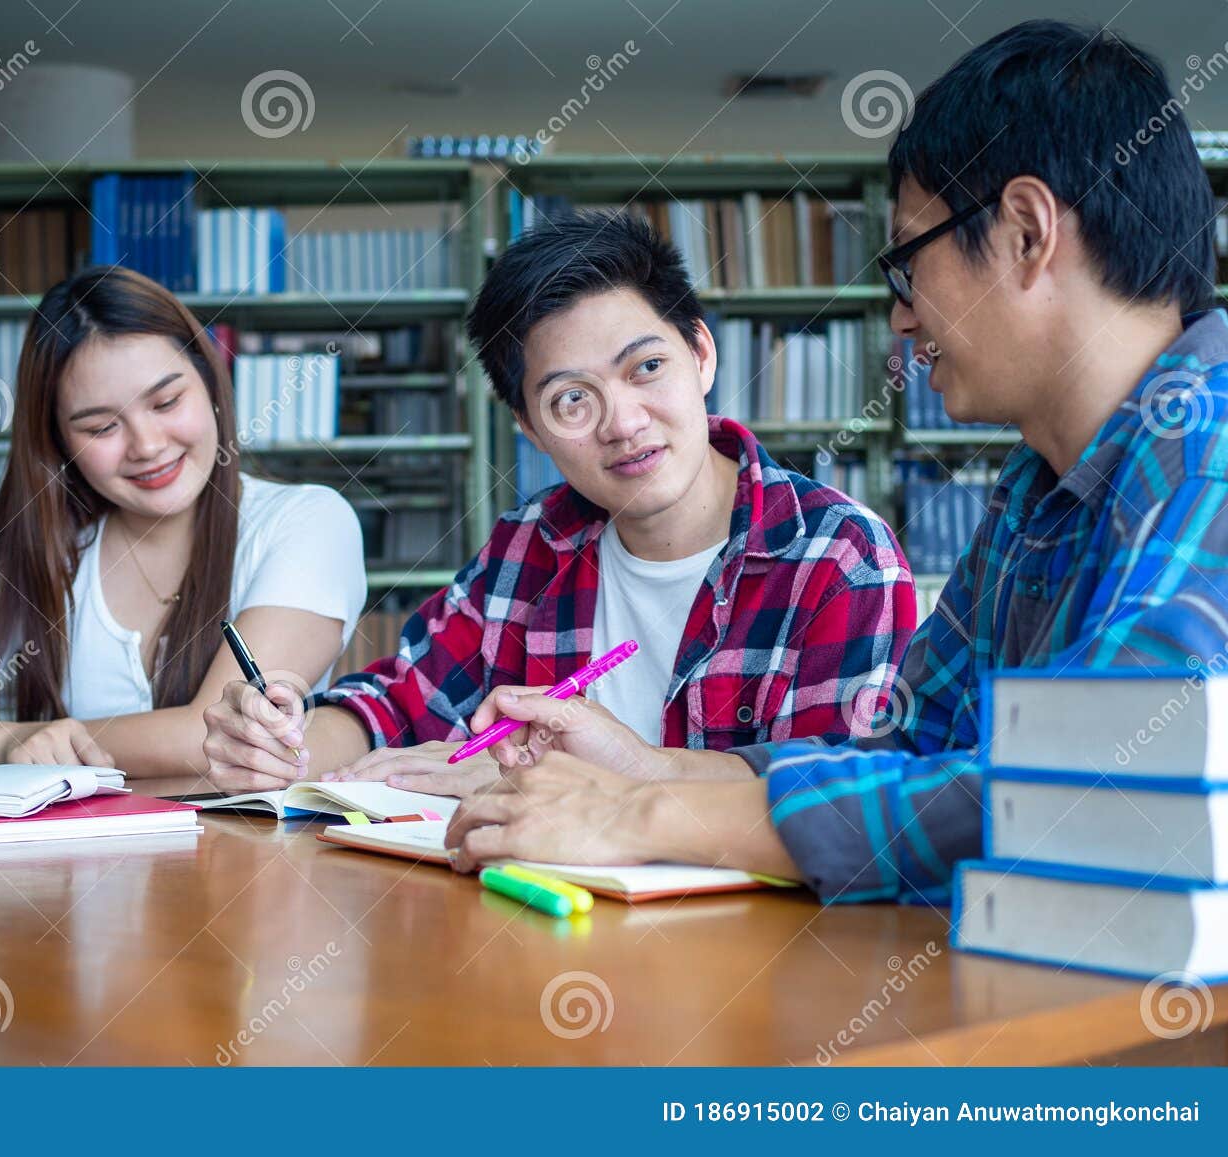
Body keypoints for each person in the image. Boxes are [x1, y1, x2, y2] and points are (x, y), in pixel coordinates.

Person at [446, 19, 1228, 903]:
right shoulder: (1033, 489)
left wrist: (640, 816)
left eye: (908, 265)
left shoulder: (1208, 461)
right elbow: (906, 748)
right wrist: (642, 772)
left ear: (1024, 230)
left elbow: (1094, 795)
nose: (902, 318)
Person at [202, 211, 916, 794]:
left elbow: (842, 794)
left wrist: (551, 777)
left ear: (701, 353)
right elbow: (397, 703)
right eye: (571, 399)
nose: (623, 421)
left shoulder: (839, 556)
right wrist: (285, 746)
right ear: (530, 427)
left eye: (647, 368)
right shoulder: (530, 547)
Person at [0, 266, 365, 777]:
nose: (147, 445)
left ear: (210, 382)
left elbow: (210, 741)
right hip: (79, 861)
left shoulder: (308, 522)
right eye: (101, 427)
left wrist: (65, 737)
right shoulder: (50, 550)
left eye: (166, 401)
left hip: (250, 858)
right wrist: (14, 741)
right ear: (58, 443)